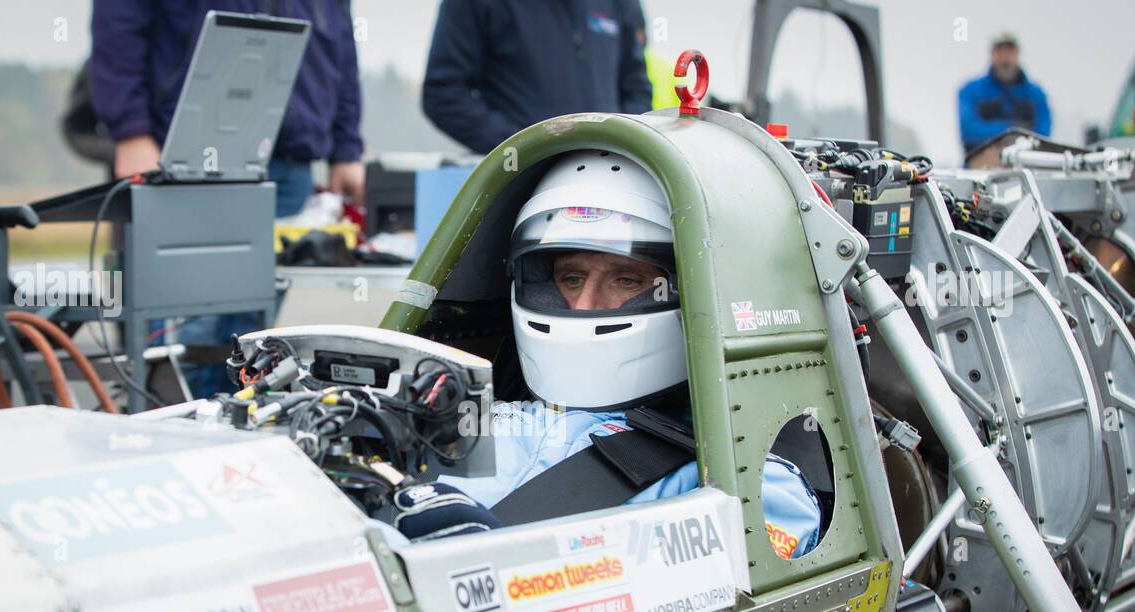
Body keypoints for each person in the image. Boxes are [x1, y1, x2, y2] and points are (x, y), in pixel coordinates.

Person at [396, 152, 823, 559]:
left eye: (624, 279)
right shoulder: (478, 424)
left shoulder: (744, 478)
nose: (584, 305)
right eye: (570, 277)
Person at [89, 0, 366, 396]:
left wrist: (346, 146)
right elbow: (119, 26)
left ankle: (234, 434)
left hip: (289, 160)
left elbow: (340, 40)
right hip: (189, 151)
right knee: (189, 330)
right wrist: (130, 129)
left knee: (252, 333)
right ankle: (176, 432)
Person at [421, 0, 653, 154]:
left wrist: (621, 149)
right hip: (519, 188)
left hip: (608, 181)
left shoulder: (621, 3)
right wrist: (525, 148)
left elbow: (636, 89)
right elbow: (443, 93)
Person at [958, 33, 1052, 153]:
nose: (1005, 58)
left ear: (1017, 54)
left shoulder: (1036, 94)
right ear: (992, 55)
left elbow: (1044, 134)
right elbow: (968, 131)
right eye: (1000, 52)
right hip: (980, 165)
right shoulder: (971, 91)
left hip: (1027, 162)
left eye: (1009, 52)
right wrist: (1012, 131)